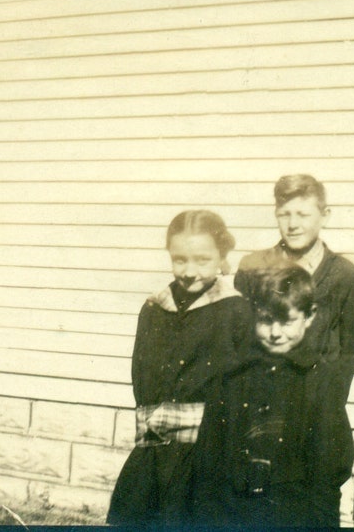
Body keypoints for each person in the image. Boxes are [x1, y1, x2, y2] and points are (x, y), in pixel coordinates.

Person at [107, 210, 253, 526]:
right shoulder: (154, 309)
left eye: (202, 260)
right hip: (155, 451)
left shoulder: (236, 311)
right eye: (179, 260)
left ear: (222, 256)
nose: (189, 271)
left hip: (208, 457)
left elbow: (241, 388)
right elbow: (141, 376)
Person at [191, 265, 354, 527]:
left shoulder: (319, 379)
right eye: (266, 320)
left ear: (309, 315)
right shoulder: (232, 377)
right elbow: (208, 457)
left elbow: (331, 464)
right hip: (231, 513)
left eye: (287, 321)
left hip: (293, 514)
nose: (276, 332)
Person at [234, 174, 354, 404]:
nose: (293, 225)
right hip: (258, 403)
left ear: (325, 216)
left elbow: (347, 355)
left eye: (303, 215)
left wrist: (330, 408)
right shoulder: (252, 268)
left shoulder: (347, 277)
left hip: (315, 407)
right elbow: (237, 343)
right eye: (284, 214)